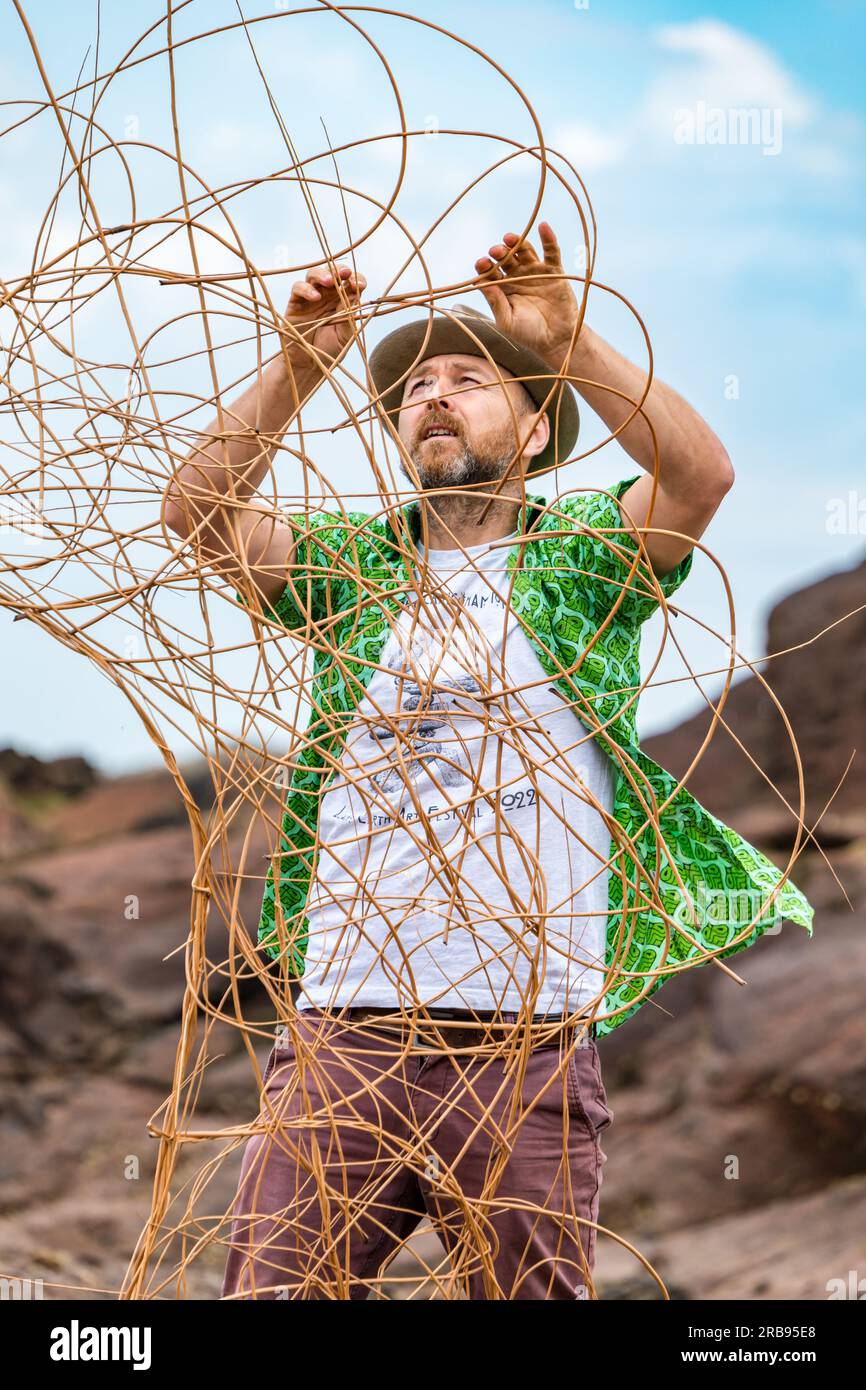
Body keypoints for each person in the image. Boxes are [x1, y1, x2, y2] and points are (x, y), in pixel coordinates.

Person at [163, 221, 813, 1299]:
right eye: (412, 386)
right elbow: (199, 514)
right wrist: (297, 366)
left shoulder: (583, 558)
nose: (431, 394)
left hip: (527, 1042)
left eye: (468, 379)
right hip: (340, 1030)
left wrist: (567, 339)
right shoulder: (351, 571)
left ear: (531, 427)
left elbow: (699, 475)